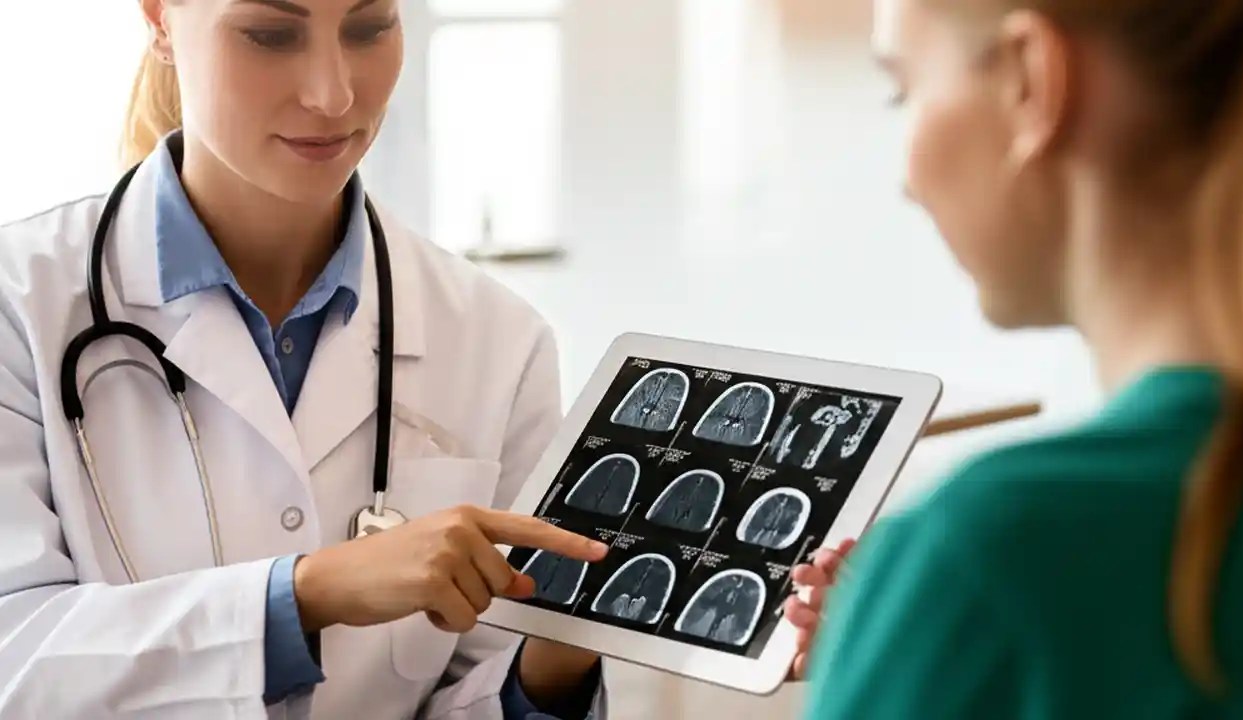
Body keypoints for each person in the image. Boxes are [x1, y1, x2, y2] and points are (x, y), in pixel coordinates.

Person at [0, 1, 844, 718]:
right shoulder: (21, 303)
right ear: (159, 19)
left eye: (370, 27)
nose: (333, 93)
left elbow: (471, 690)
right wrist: (311, 593)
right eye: (270, 33)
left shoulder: (496, 339)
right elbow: (14, 658)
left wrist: (563, 649)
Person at [802, 0, 1243, 716]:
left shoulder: (985, 557)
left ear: (1032, 79)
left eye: (903, 88)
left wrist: (925, 638)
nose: (904, 180)